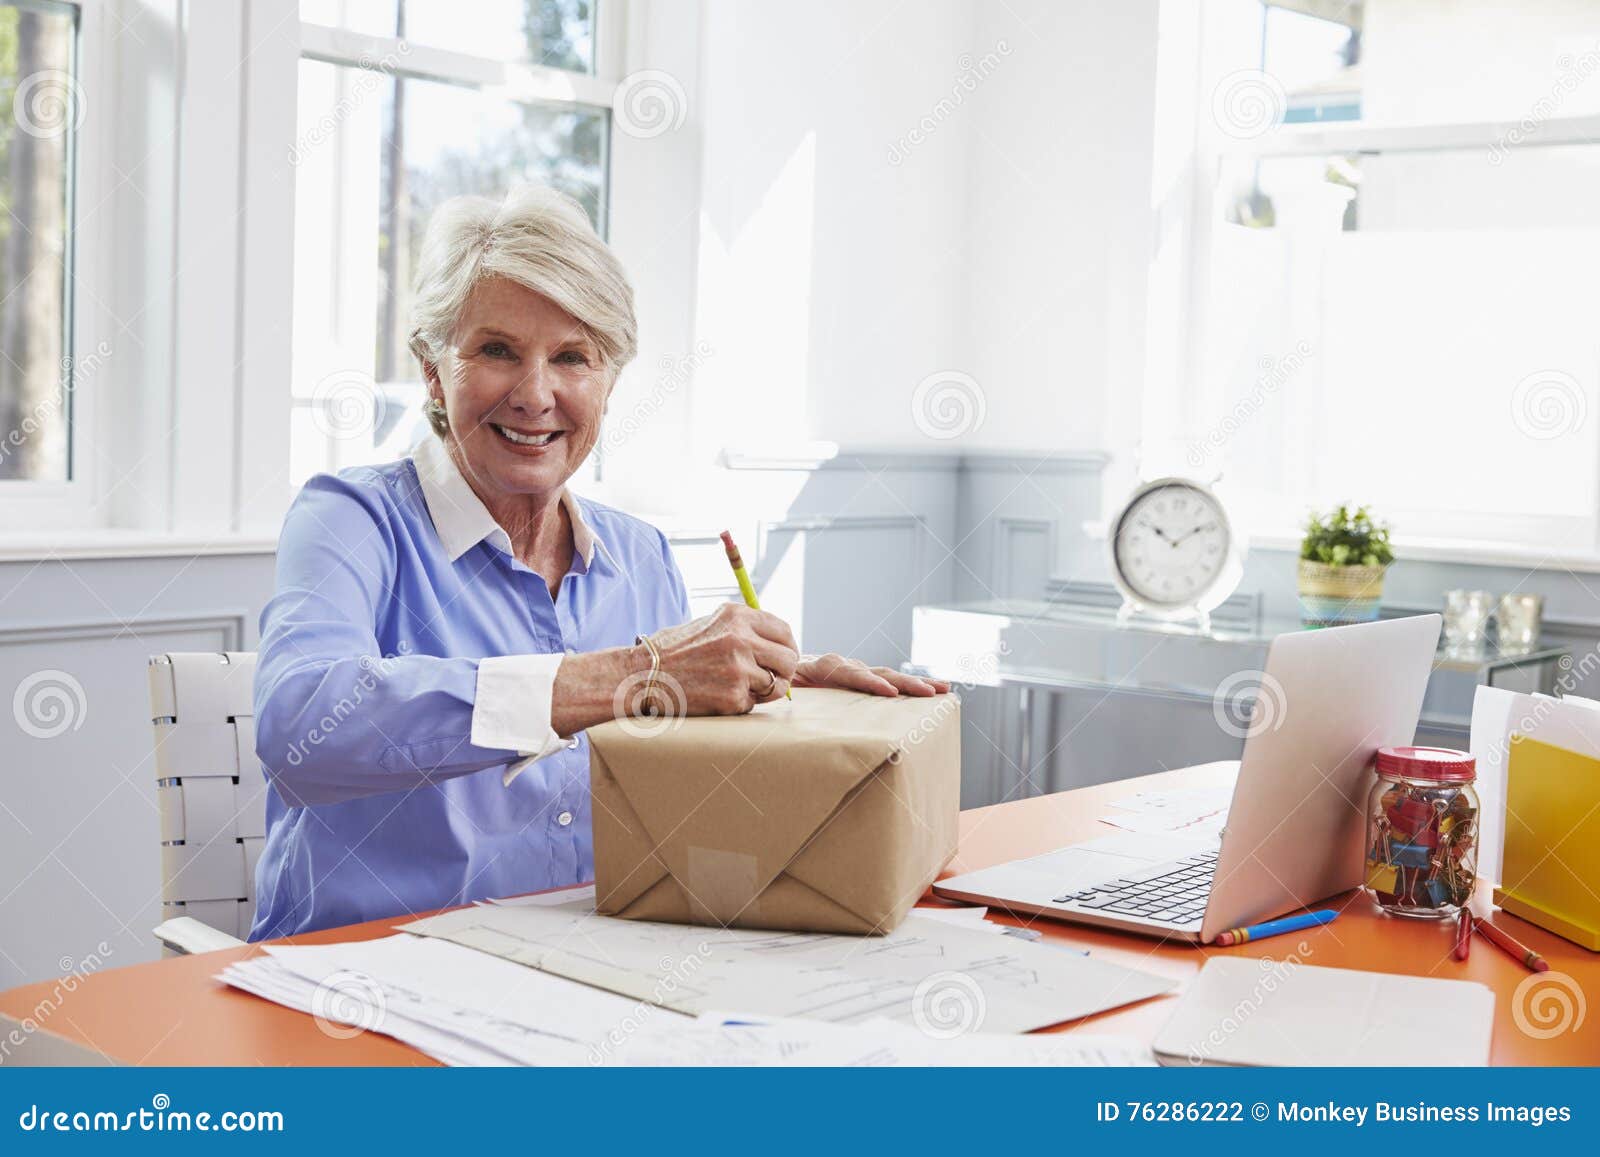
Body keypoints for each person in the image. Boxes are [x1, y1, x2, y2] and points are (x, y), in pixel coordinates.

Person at [250, 185, 948, 938]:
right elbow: (301, 727)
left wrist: (780, 703)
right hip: (359, 984)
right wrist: (631, 676)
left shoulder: (639, 556)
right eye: (496, 351)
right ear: (432, 371)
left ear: (610, 383)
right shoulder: (351, 518)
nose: (535, 393)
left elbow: (678, 783)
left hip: (592, 978)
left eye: (573, 357)